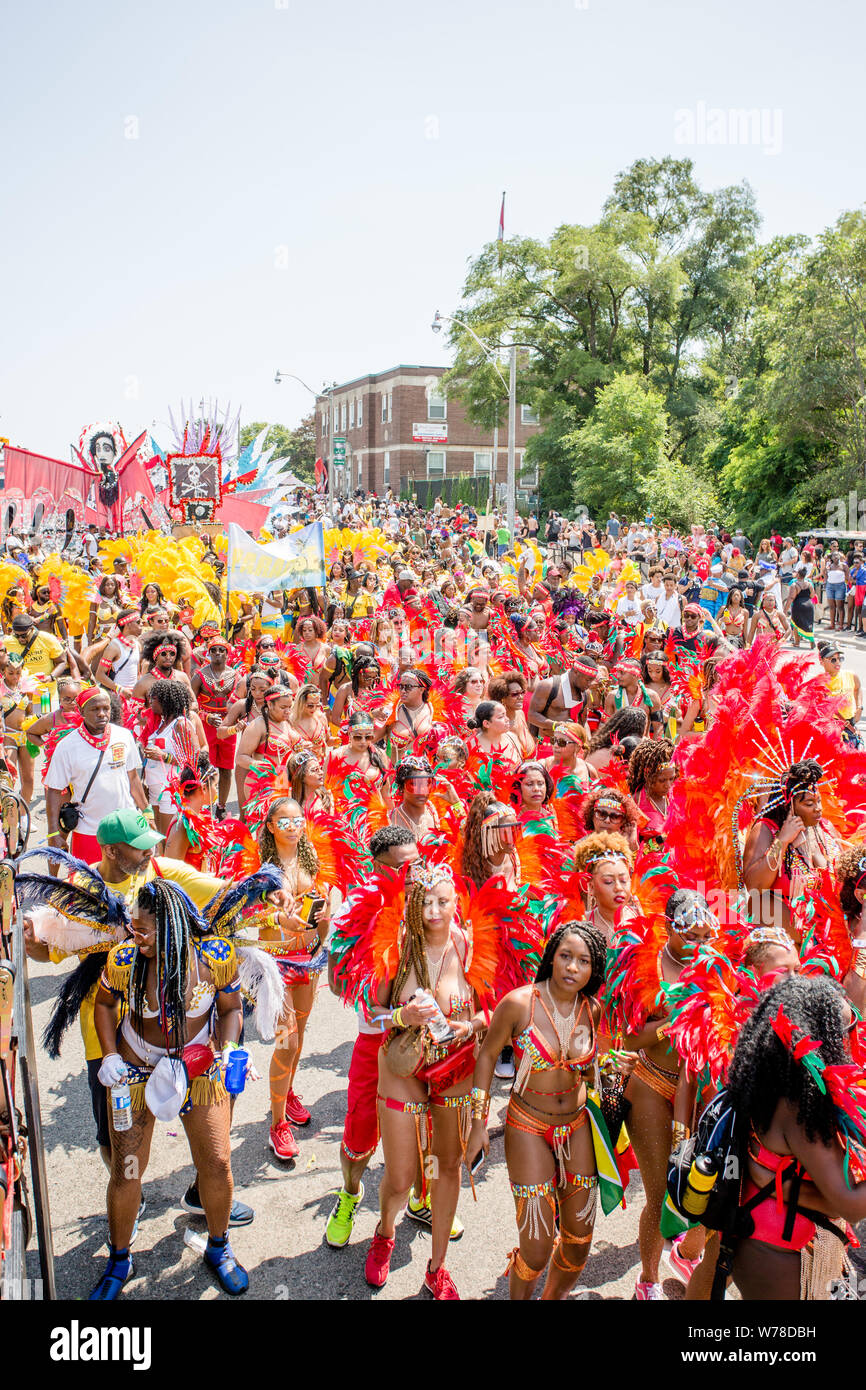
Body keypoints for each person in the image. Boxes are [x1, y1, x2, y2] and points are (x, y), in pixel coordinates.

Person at [90, 878, 248, 1298]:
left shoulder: (216, 956)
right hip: (136, 1067)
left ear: (173, 927)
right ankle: (119, 1258)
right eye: (134, 928)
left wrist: (230, 1049)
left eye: (144, 930)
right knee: (127, 1170)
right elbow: (104, 1005)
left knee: (216, 1162)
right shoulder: (124, 959)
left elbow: (231, 1008)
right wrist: (109, 1056)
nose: (134, 936)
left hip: (198, 1064)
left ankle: (219, 1247)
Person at [467, 922, 609, 1299]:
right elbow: (486, 1058)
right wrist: (478, 1123)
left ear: (594, 969)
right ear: (551, 957)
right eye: (565, 956)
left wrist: (613, 1065)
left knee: (579, 1240)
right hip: (527, 1126)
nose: (572, 968)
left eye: (583, 961)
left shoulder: (593, 1009)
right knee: (536, 1247)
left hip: (577, 1126)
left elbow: (598, 1068)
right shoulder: (519, 1003)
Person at [725, 975, 866, 1301]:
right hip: (779, 1261)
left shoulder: (776, 1076)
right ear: (823, 1039)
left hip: (785, 1246)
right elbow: (854, 1204)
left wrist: (789, 1189)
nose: (851, 1042)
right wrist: (810, 1195)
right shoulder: (799, 1106)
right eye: (845, 1032)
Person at [324, 826, 422, 1249]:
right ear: (377, 867)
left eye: (417, 863)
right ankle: (349, 1194)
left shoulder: (431, 902)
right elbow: (335, 984)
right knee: (361, 1130)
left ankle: (424, 1196)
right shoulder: (353, 910)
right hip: (376, 1040)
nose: (413, 873)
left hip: (426, 1041)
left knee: (425, 1128)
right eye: (403, 866)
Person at [238, 797, 329, 1161]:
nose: (295, 826)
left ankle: (286, 1092)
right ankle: (278, 1125)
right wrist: (274, 916)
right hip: (272, 966)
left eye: (299, 819)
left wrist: (324, 932)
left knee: (300, 1035)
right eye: (286, 821)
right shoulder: (258, 867)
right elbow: (244, 915)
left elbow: (323, 905)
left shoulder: (312, 859)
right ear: (271, 826)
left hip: (308, 958)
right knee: (286, 1042)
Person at [44, 687, 149, 863]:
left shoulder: (124, 736)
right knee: (86, 887)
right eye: (95, 709)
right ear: (82, 711)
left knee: (129, 885)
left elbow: (132, 778)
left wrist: (147, 811)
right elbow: (54, 790)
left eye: (106, 708)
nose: (102, 714)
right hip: (88, 832)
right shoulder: (67, 746)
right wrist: (53, 832)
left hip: (126, 826)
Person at [191, 636, 241, 812]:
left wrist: (233, 720)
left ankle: (221, 806)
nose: (217, 653)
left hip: (228, 727)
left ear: (227, 653)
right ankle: (204, 806)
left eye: (221, 650)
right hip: (206, 727)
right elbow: (190, 705)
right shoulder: (199, 676)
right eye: (214, 650)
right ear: (208, 653)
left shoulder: (235, 676)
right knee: (205, 767)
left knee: (226, 768)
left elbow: (242, 702)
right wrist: (206, 717)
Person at [527, 656, 598, 739]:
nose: (590, 684)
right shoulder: (548, 686)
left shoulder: (585, 694)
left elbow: (583, 721)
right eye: (588, 680)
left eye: (592, 680)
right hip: (547, 745)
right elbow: (532, 715)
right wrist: (555, 725)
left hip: (571, 746)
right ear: (576, 672)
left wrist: (587, 742)